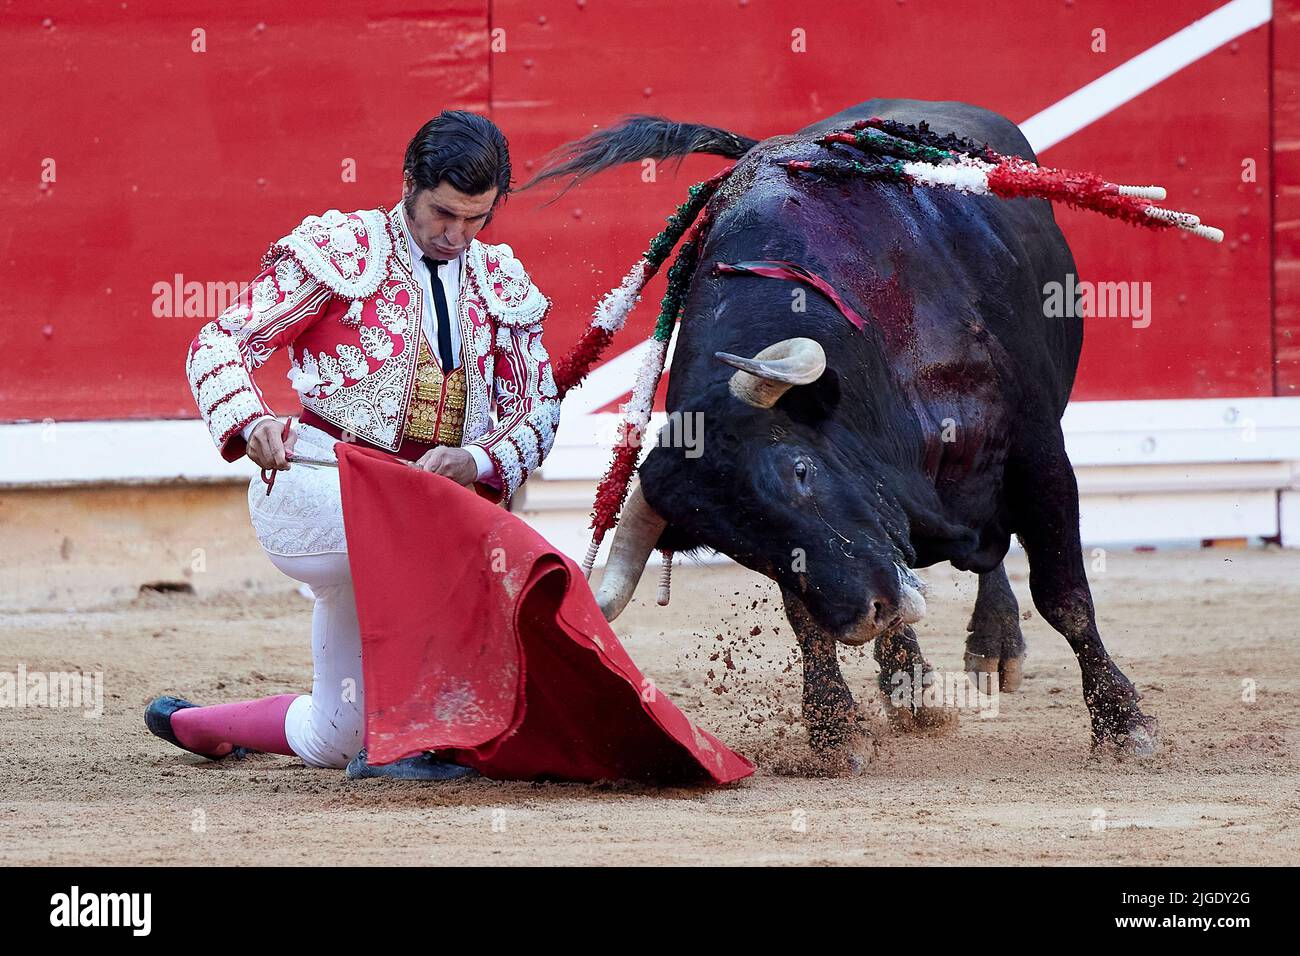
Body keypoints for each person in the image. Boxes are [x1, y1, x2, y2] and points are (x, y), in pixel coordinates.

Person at [146, 110, 561, 780]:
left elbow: (537, 409)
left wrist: (477, 460)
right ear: (407, 185)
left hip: (422, 510)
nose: (457, 235)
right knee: (435, 528)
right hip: (320, 492)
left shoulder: (501, 280)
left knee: (335, 733)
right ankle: (415, 730)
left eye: (476, 219)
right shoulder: (344, 251)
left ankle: (201, 725)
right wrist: (251, 423)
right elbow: (219, 343)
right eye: (443, 214)